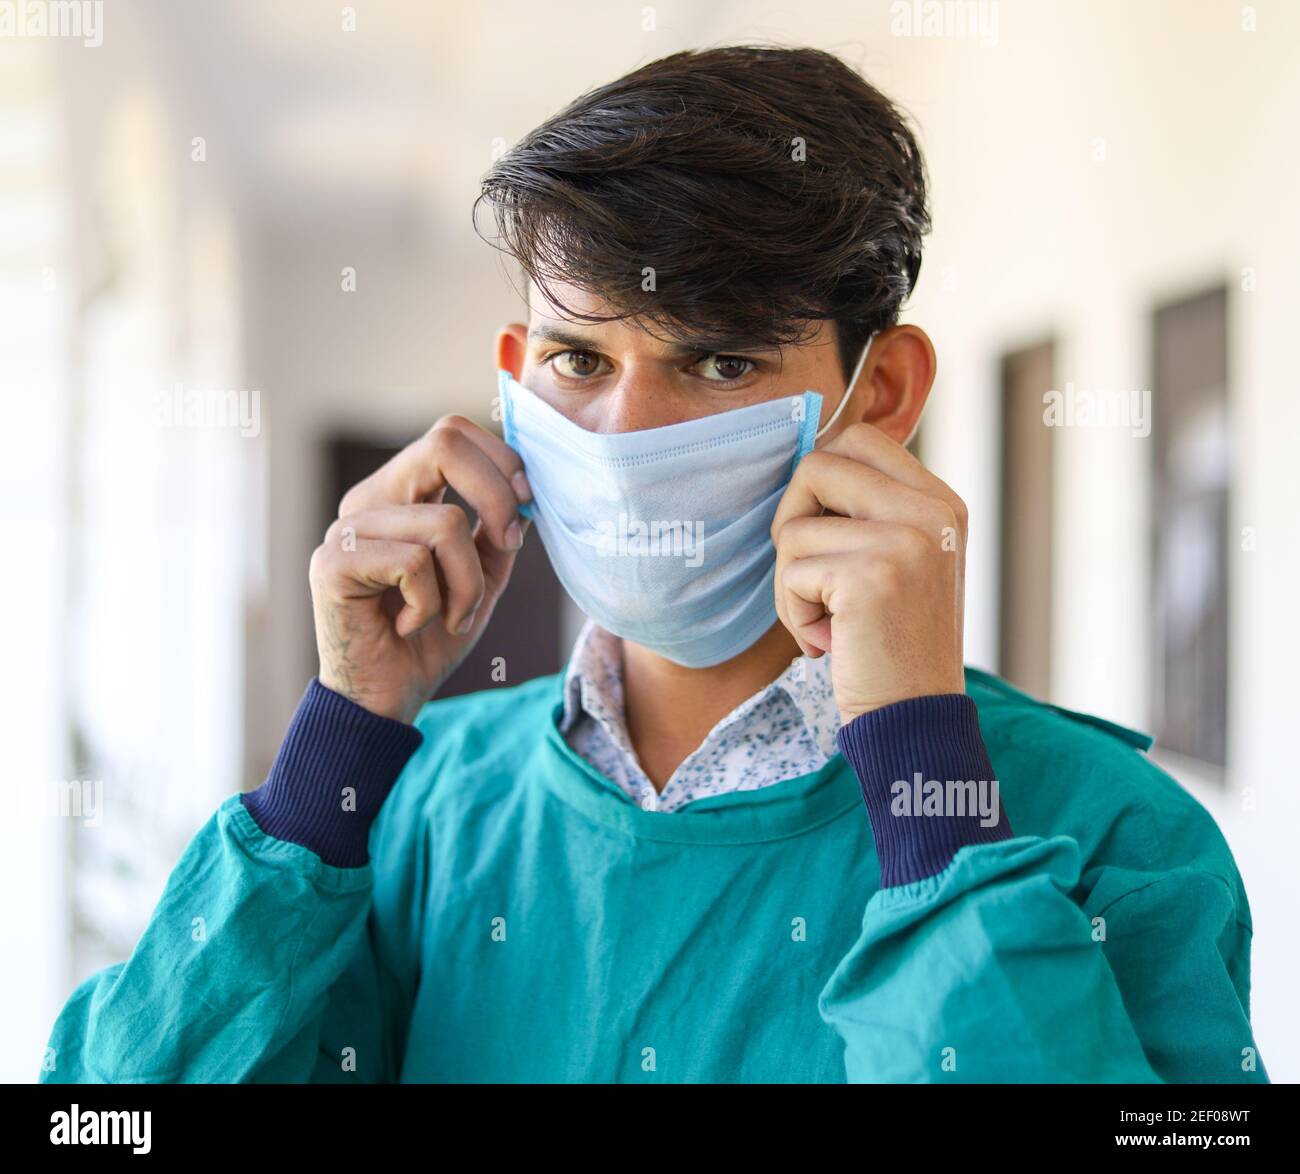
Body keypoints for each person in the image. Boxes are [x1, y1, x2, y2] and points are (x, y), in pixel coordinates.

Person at [40, 45, 1265, 1084]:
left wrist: (926, 796)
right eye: (578, 360)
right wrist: (340, 742)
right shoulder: (407, 808)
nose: (625, 438)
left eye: (720, 362)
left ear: (879, 393)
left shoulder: (1110, 835)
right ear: (514, 377)